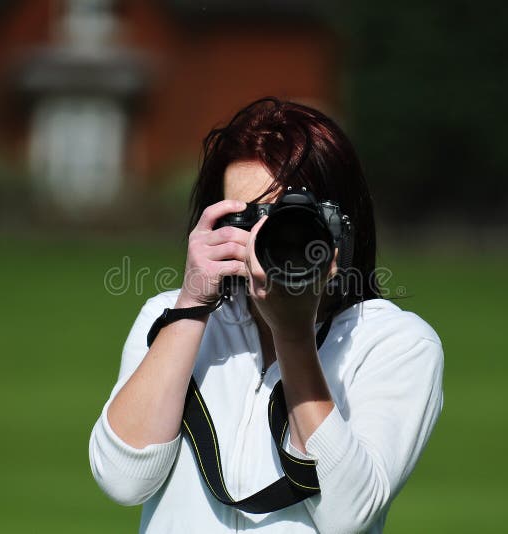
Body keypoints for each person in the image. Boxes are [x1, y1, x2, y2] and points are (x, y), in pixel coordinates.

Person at [89, 98, 444, 533]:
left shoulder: (396, 344)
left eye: (288, 217)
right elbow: (123, 480)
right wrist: (192, 304)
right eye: (246, 217)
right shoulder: (169, 318)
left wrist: (293, 336)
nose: (266, 237)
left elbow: (347, 516)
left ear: (341, 226)